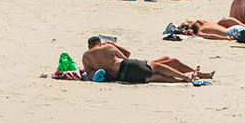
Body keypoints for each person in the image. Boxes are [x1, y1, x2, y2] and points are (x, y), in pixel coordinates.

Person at [81, 36, 212, 84]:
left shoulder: (85, 57)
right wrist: (113, 45)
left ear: (89, 46)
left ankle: (188, 77)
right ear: (99, 42)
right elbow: (127, 56)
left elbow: (89, 74)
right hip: (130, 66)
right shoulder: (107, 47)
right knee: (165, 64)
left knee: (159, 76)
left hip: (122, 76)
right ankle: (188, 76)